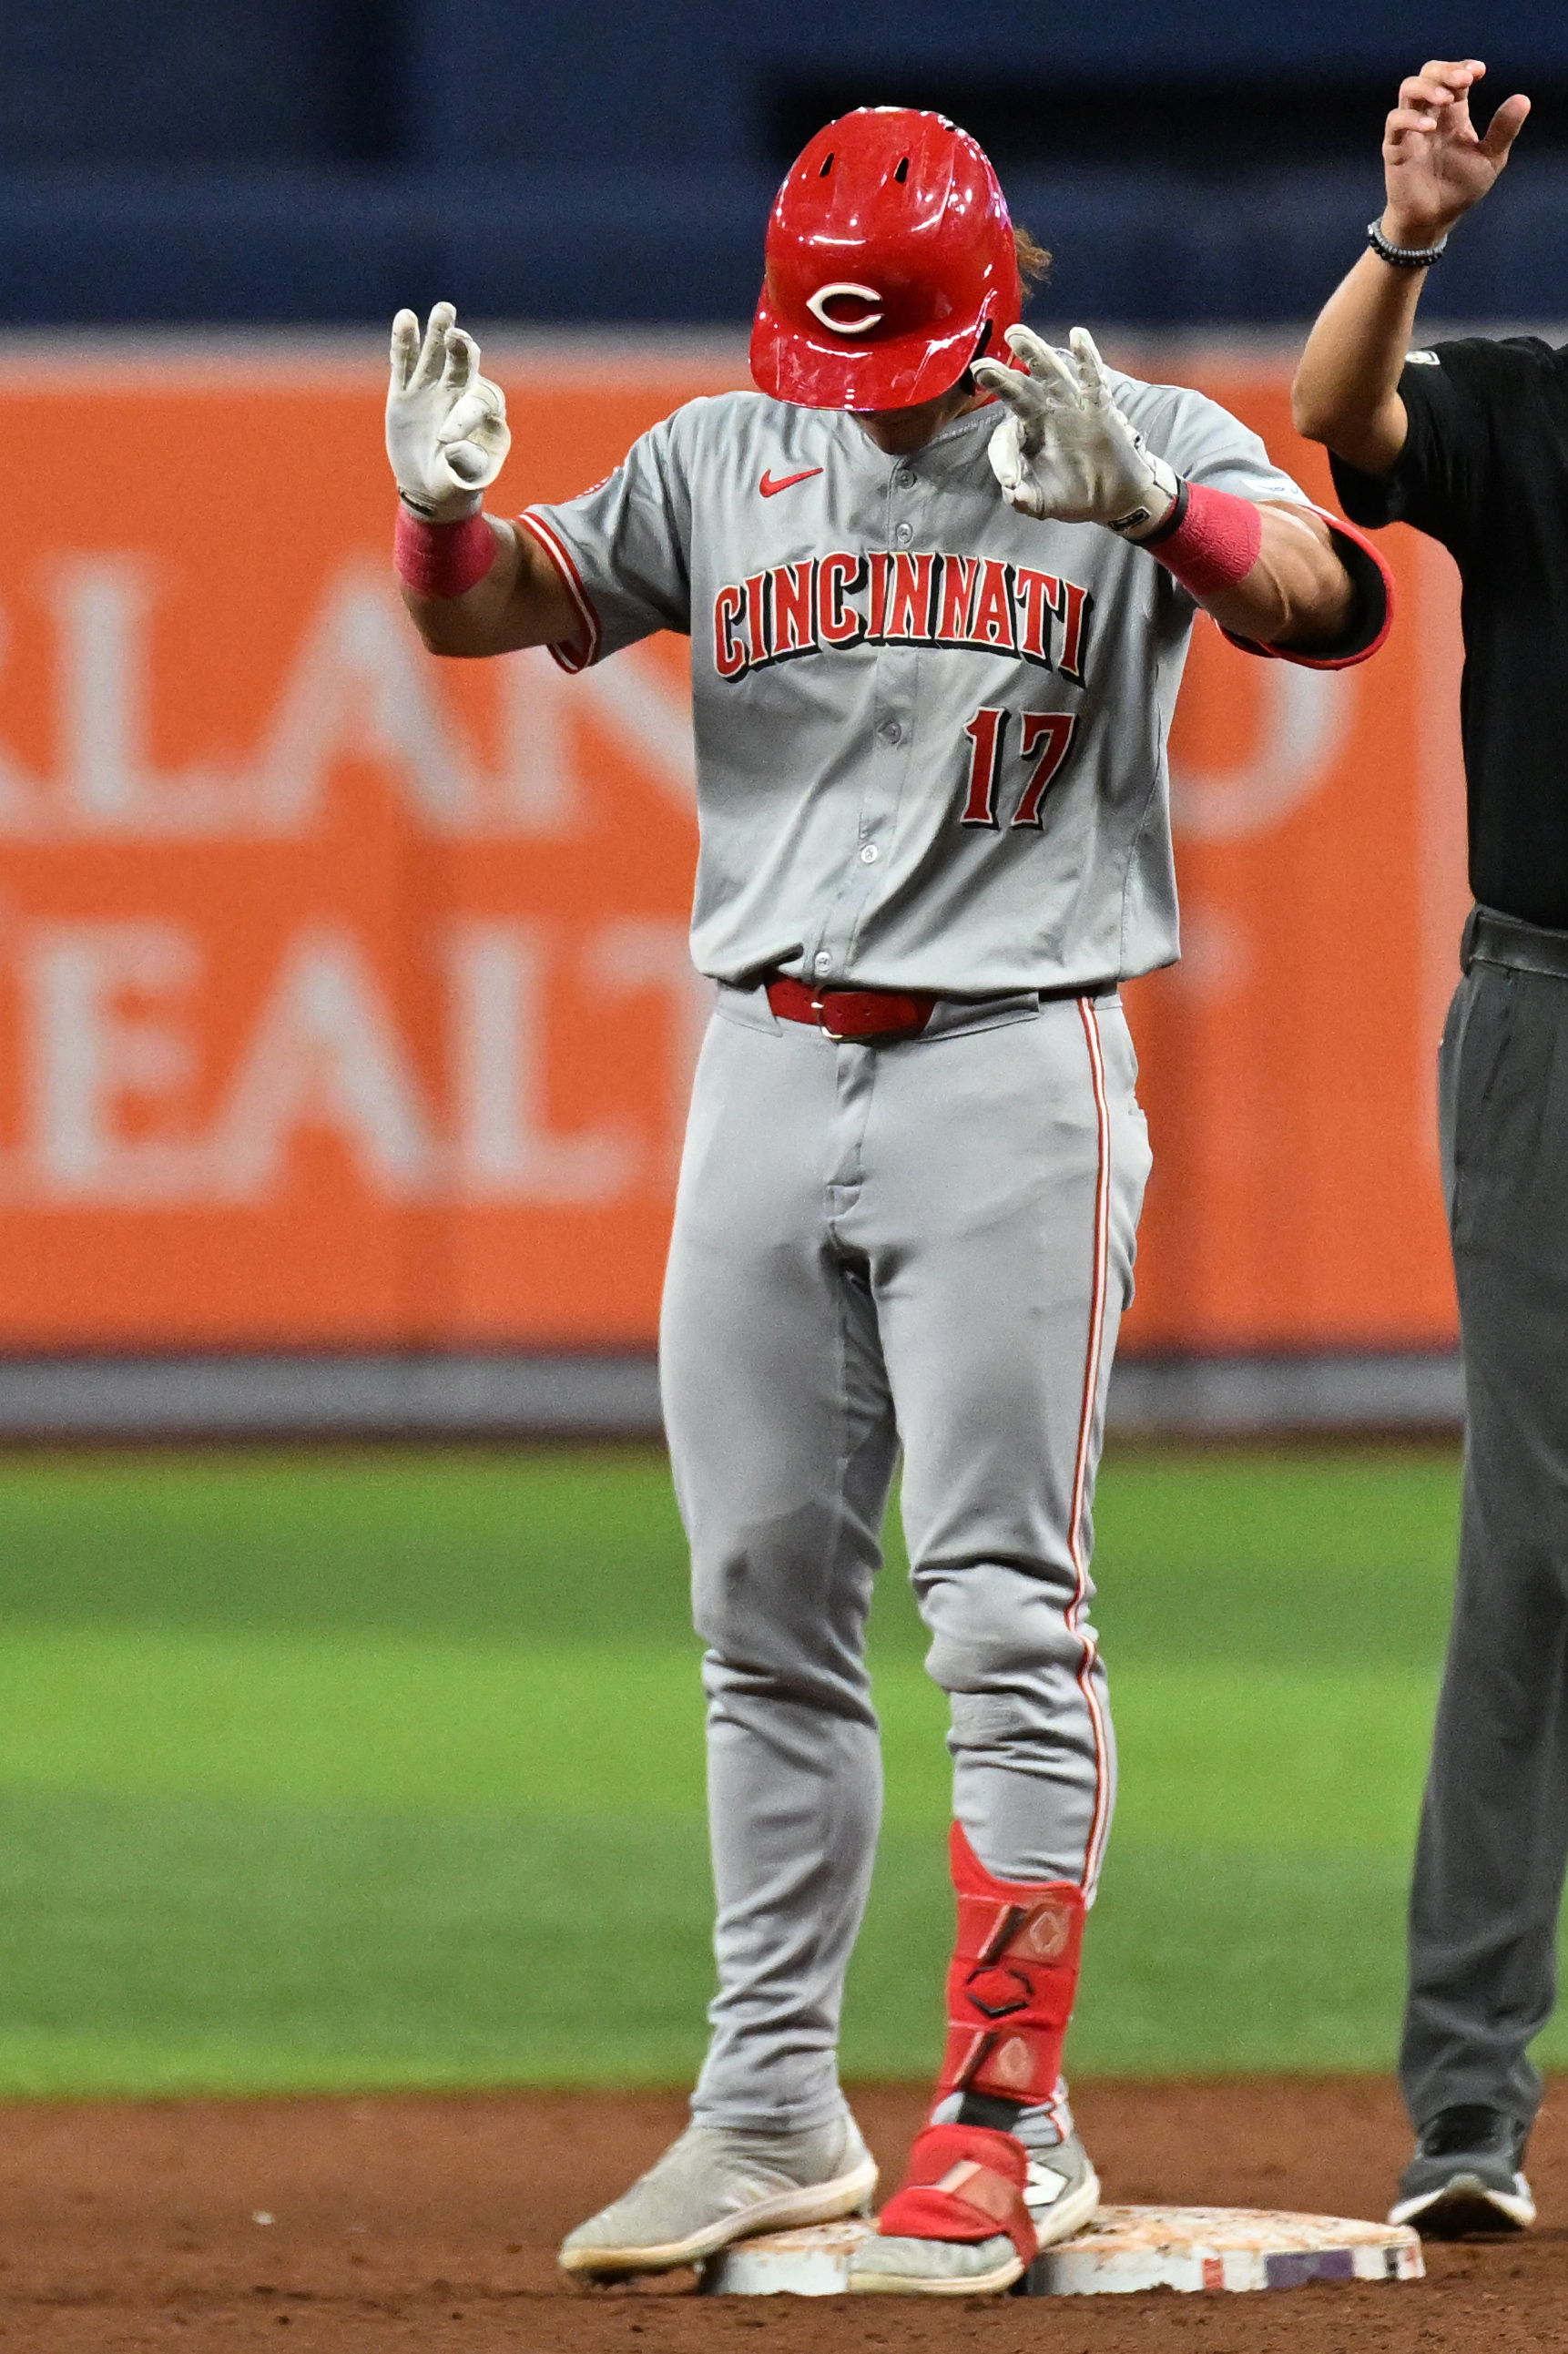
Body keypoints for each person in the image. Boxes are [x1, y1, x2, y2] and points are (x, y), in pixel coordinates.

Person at [389, 107, 1387, 2295]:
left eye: (892, 352)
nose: (860, 394)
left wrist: (1167, 512)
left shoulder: (1122, 430)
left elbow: (1336, 602)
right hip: (761, 1058)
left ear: (988, 300)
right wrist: (439, 521)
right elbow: (493, 614)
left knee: (1006, 1608)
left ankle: (1012, 2121)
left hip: (1011, 1063)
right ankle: (768, 2107)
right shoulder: (721, 453)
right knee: (758, 1608)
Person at [1292, 57, 1551, 2240]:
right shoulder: (1539, 411)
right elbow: (1340, 421)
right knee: (1535, 1552)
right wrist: (1408, 238)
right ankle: (1470, 2104)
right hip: (1555, 1009)